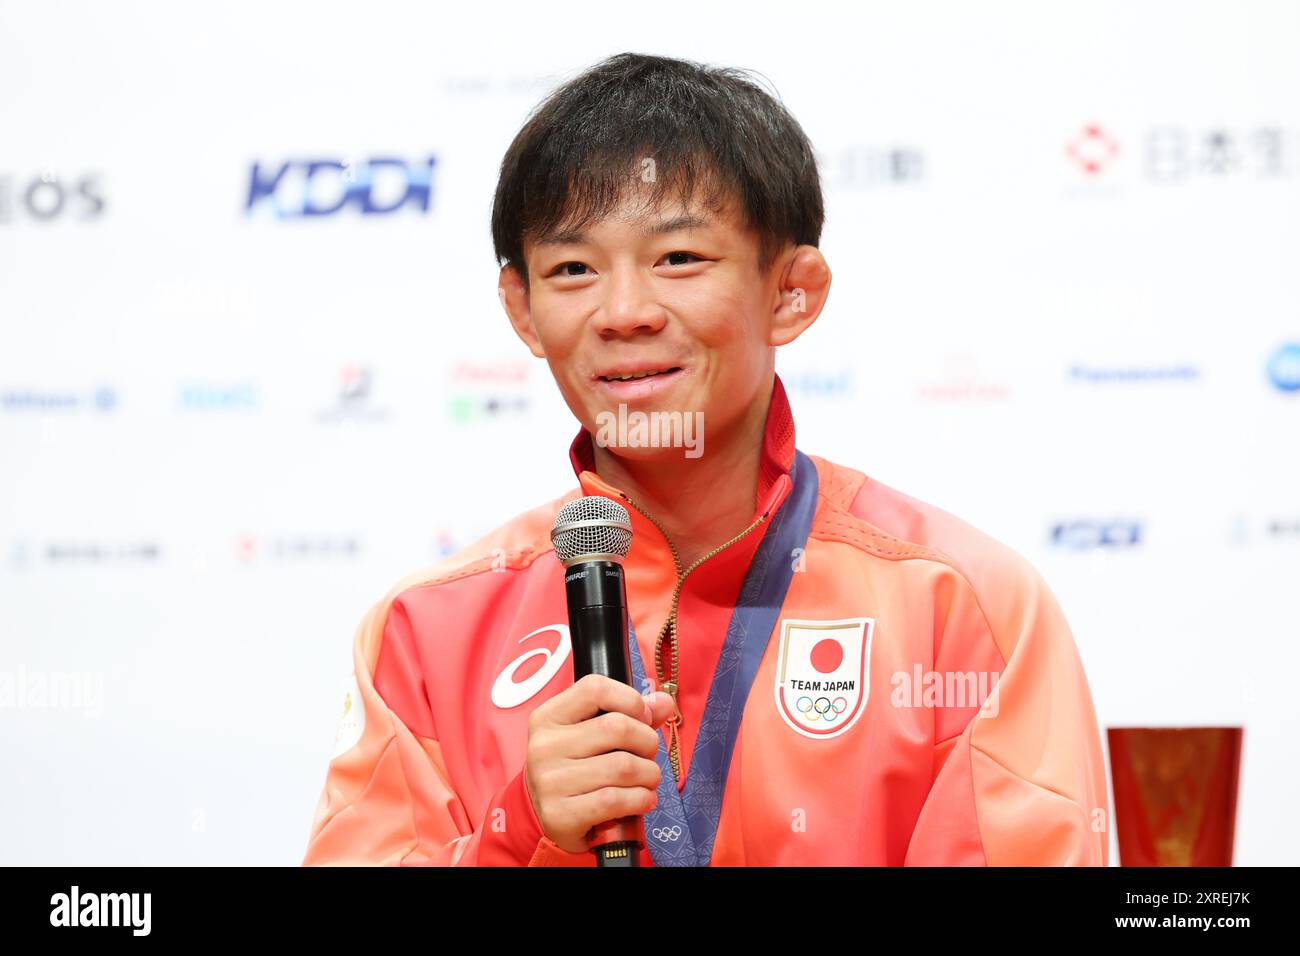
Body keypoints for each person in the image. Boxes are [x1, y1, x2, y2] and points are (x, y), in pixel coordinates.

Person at [301, 52, 1109, 866]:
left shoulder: (958, 604)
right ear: (523, 310)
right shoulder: (428, 630)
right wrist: (520, 832)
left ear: (792, 292)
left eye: (678, 259)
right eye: (573, 269)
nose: (624, 313)